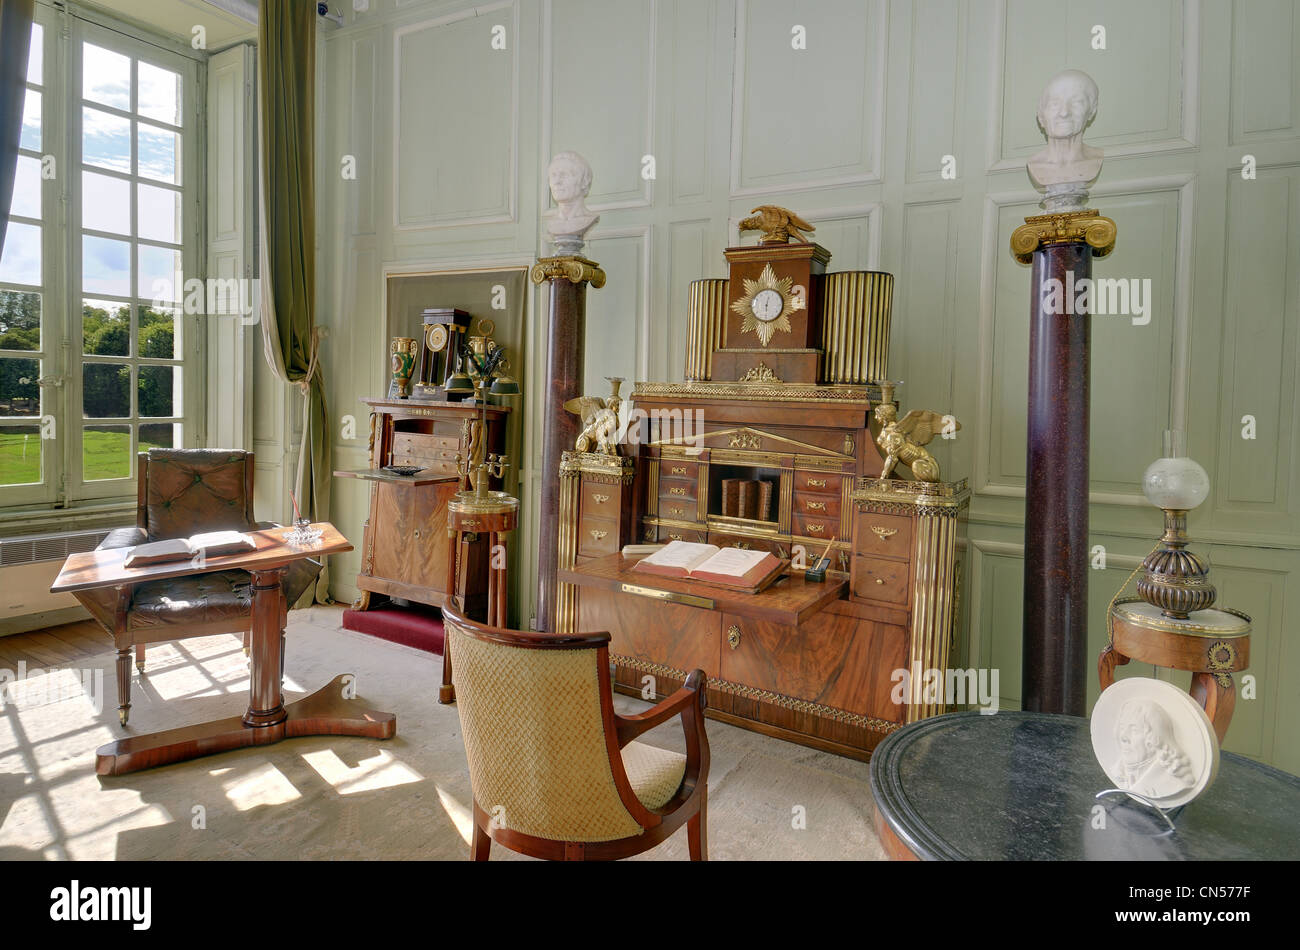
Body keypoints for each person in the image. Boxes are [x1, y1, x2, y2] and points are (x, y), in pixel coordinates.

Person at [1027, 69, 1103, 210]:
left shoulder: (1096, 159)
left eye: (1076, 102)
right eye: (1055, 103)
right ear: (1041, 114)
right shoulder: (1034, 164)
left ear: (1092, 111)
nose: (1064, 113)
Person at [1111, 698, 1195, 801]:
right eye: (1122, 727)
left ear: (1154, 739)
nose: (1123, 737)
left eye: (1134, 729)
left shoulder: (1173, 783)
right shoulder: (1118, 771)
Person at [544, 151, 599, 251]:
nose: (557, 182)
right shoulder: (552, 223)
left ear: (584, 181)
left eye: (564, 175)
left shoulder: (588, 219)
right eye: (553, 175)